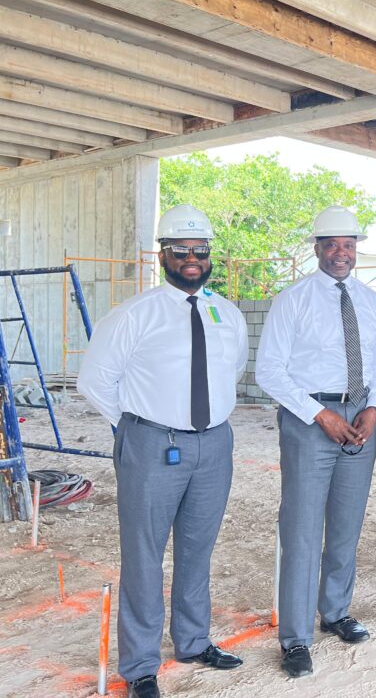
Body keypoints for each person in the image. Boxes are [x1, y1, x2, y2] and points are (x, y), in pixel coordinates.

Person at [78, 205, 248, 698]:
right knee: (144, 555)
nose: (192, 260)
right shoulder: (135, 314)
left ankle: (193, 642)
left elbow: (230, 371)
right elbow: (95, 381)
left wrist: (200, 417)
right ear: (163, 255)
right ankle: (140, 666)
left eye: (200, 251)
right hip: (151, 444)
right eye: (181, 251)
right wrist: (135, 424)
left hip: (214, 444)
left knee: (198, 549)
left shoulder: (226, 313)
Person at [255, 206, 376, 678]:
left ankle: (335, 612)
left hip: (361, 417)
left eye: (349, 245)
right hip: (310, 417)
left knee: (347, 525)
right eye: (331, 244)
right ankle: (295, 638)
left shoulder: (370, 301)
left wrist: (373, 407)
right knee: (302, 528)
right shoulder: (292, 300)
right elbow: (268, 371)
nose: (341, 252)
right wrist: (320, 414)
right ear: (316, 248)